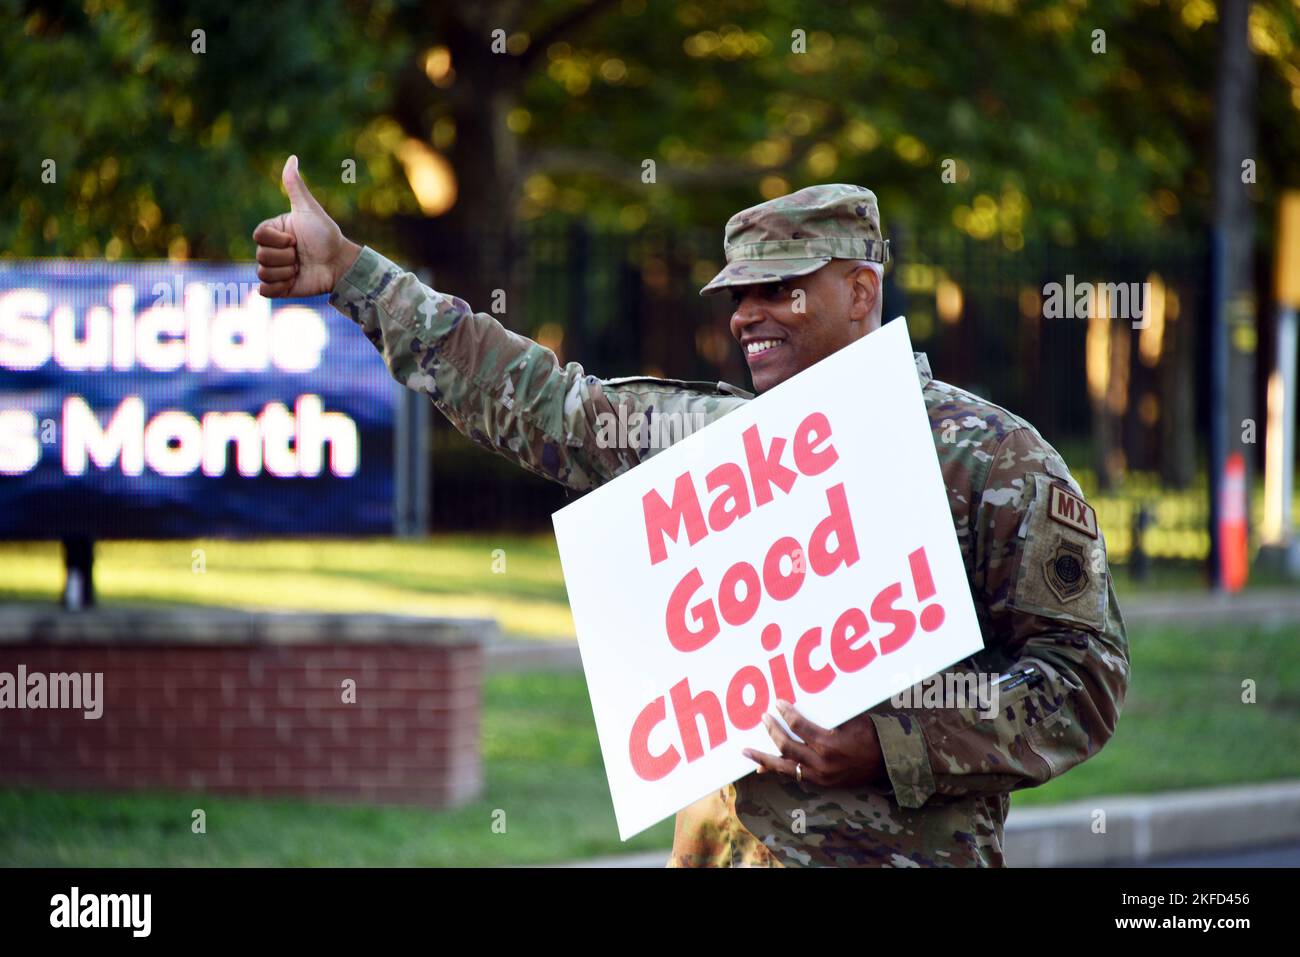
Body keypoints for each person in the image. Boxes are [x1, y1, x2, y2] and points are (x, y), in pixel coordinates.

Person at [252, 156, 1129, 867]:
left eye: (780, 289)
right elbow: (539, 401)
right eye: (737, 295)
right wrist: (355, 276)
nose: (747, 314)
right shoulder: (714, 447)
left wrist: (892, 738)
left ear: (862, 292)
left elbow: (1084, 680)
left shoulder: (989, 459)